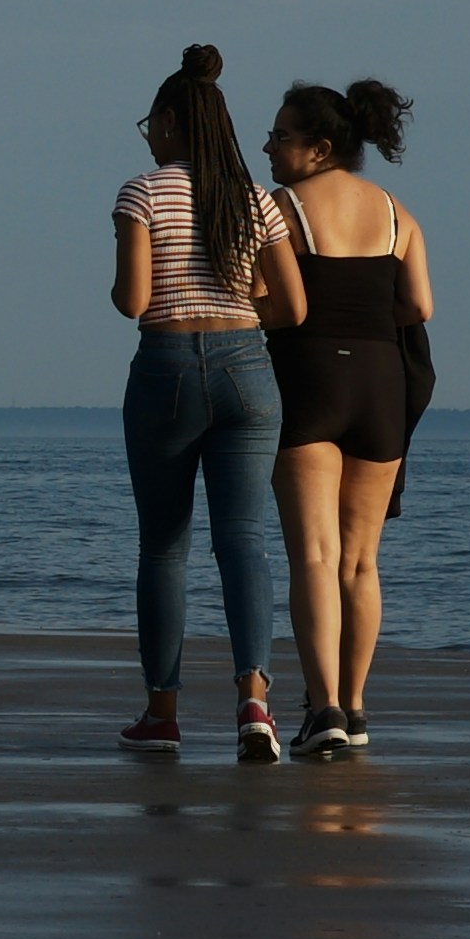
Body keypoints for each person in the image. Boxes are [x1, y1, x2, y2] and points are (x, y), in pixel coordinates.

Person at [110, 44, 293, 766]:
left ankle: (162, 712)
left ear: (172, 123)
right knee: (243, 541)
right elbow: (293, 306)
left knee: (164, 545)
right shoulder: (256, 200)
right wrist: (241, 296)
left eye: (150, 123)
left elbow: (134, 300)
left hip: (167, 368)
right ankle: (255, 702)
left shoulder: (143, 192)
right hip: (249, 369)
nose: (147, 136)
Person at [260, 78, 433, 762]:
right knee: (362, 562)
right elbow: (419, 305)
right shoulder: (396, 213)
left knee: (314, 555)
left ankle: (321, 706)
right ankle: (356, 710)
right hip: (381, 384)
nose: (268, 147)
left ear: (318, 147)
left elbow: (258, 293)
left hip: (309, 378)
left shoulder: (283, 208)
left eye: (279, 136)